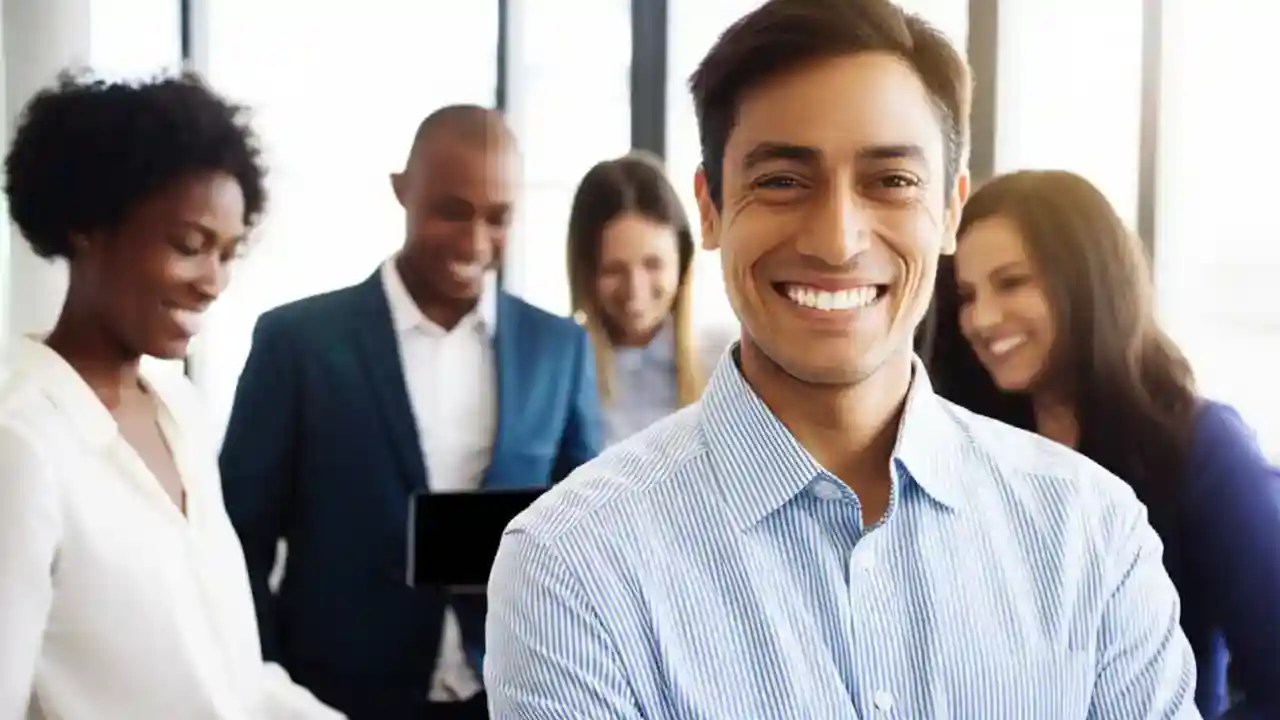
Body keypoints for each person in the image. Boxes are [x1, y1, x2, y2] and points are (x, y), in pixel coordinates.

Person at [484, 0, 1199, 717]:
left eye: (890, 181)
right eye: (782, 181)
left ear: (951, 210)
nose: (836, 240)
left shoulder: (1090, 532)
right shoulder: (573, 563)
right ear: (709, 209)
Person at [219, 104, 603, 719]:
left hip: (507, 689)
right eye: (452, 210)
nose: (476, 242)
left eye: (499, 218)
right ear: (403, 191)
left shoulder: (558, 348)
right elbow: (239, 537)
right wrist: (262, 682)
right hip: (332, 696)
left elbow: (587, 532)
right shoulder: (298, 343)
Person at [0, 72, 342, 719]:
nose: (213, 282)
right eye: (189, 247)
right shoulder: (20, 446)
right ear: (88, 226)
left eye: (228, 253)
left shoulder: (177, 408)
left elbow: (232, 682)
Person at [926, 168, 1280, 718]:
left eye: (1013, 282)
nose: (981, 319)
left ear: (1088, 281)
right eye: (967, 296)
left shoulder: (1203, 448)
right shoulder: (957, 448)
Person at [566, 151, 729, 445]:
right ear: (585, 271)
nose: (635, 291)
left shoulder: (728, 362)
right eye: (613, 270)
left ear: (682, 261)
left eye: (653, 265)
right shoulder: (561, 371)